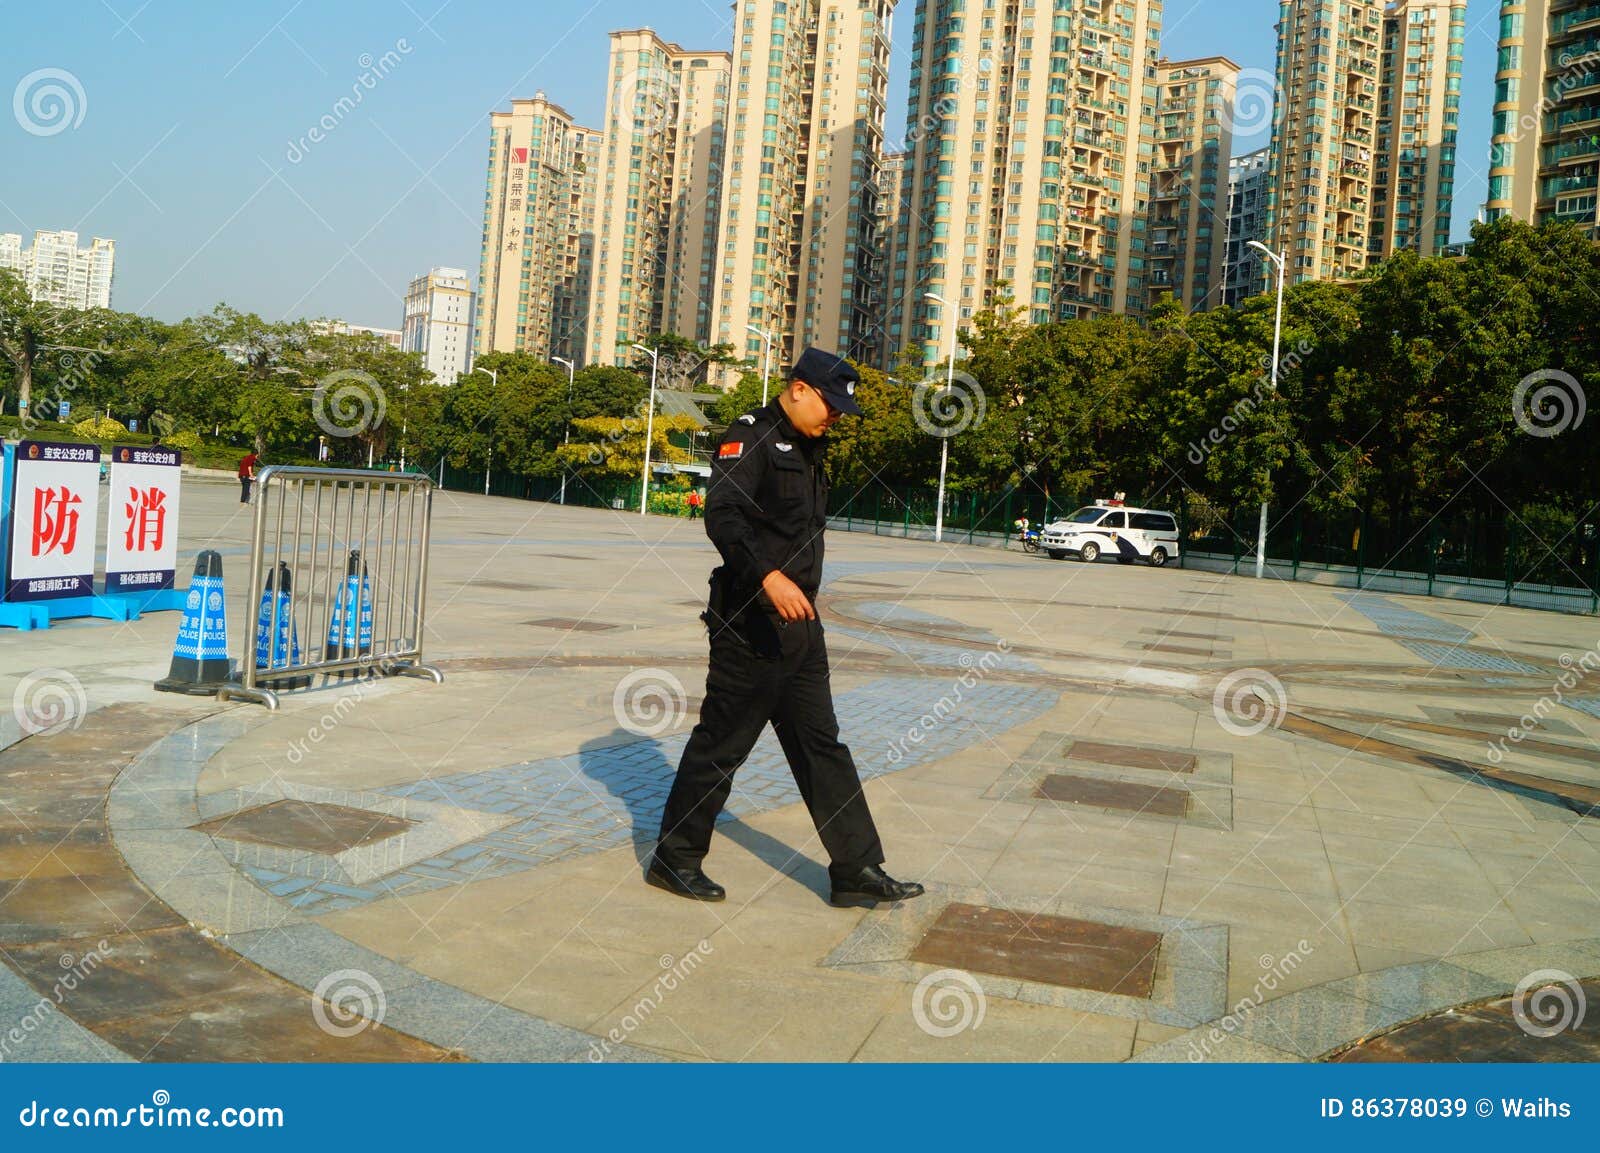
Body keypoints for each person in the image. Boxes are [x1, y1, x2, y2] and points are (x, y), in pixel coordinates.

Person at [649, 348, 924, 909]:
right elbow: (722, 514)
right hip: (749, 625)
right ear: (799, 389)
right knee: (722, 746)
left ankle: (855, 869)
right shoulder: (750, 435)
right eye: (831, 405)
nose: (837, 417)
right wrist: (767, 576)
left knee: (823, 747)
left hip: (801, 628)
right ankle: (674, 860)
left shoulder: (811, 446)